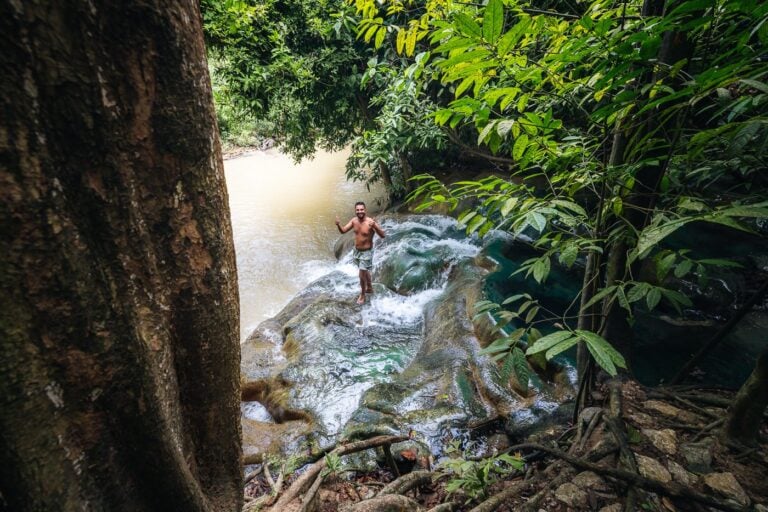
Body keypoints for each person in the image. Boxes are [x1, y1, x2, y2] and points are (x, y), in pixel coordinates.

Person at [335, 201, 385, 304]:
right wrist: (338, 225)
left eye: (361, 209)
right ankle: (370, 287)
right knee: (365, 271)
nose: (359, 211)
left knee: (361, 274)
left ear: (365, 210)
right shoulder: (354, 221)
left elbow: (383, 235)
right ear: (355, 211)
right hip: (357, 251)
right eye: (357, 210)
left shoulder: (370, 222)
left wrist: (375, 226)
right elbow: (343, 231)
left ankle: (362, 295)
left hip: (367, 252)